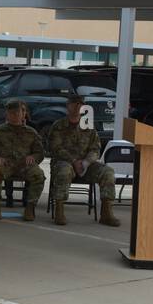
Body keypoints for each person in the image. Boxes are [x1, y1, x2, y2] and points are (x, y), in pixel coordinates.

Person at [48, 95, 120, 227]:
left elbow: (95, 149)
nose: (77, 107)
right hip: (64, 162)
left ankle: (106, 212)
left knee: (107, 172)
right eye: (73, 104)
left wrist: (86, 162)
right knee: (64, 170)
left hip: (85, 165)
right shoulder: (58, 126)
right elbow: (55, 148)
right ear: (67, 106)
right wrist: (74, 161)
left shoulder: (88, 127)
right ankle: (59, 210)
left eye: (80, 104)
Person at [0, 99, 46, 222]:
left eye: (18, 113)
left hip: (24, 165)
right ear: (6, 114)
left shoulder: (31, 132)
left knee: (39, 175)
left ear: (24, 114)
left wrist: (33, 157)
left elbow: (40, 152)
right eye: (12, 113)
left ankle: (30, 206)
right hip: (6, 164)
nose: (15, 115)